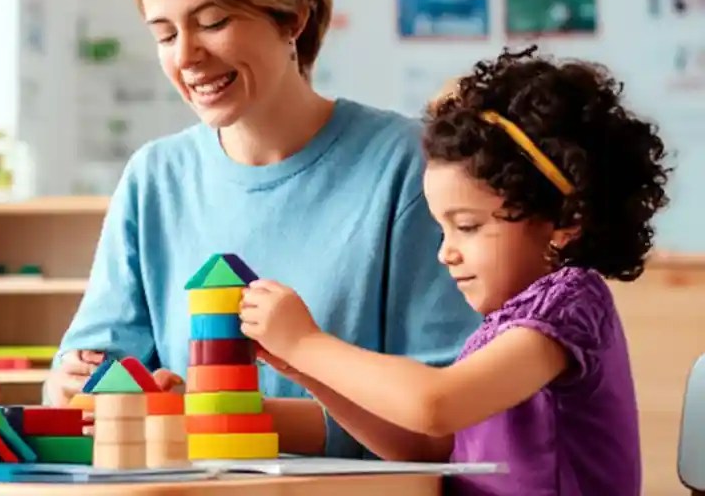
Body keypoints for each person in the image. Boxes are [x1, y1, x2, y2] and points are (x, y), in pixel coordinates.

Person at [45, 0, 481, 457]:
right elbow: (80, 381)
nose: (186, 56)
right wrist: (74, 387)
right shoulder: (154, 178)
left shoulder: (406, 166)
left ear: (292, 16)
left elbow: (445, 422)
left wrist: (212, 419)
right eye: (165, 34)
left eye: (213, 21)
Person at [240, 47, 668, 495]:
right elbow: (427, 444)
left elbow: (435, 405)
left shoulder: (568, 306)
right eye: (443, 229)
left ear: (564, 220)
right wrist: (307, 370)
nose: (446, 252)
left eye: (467, 226)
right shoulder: (505, 326)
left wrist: (307, 343)